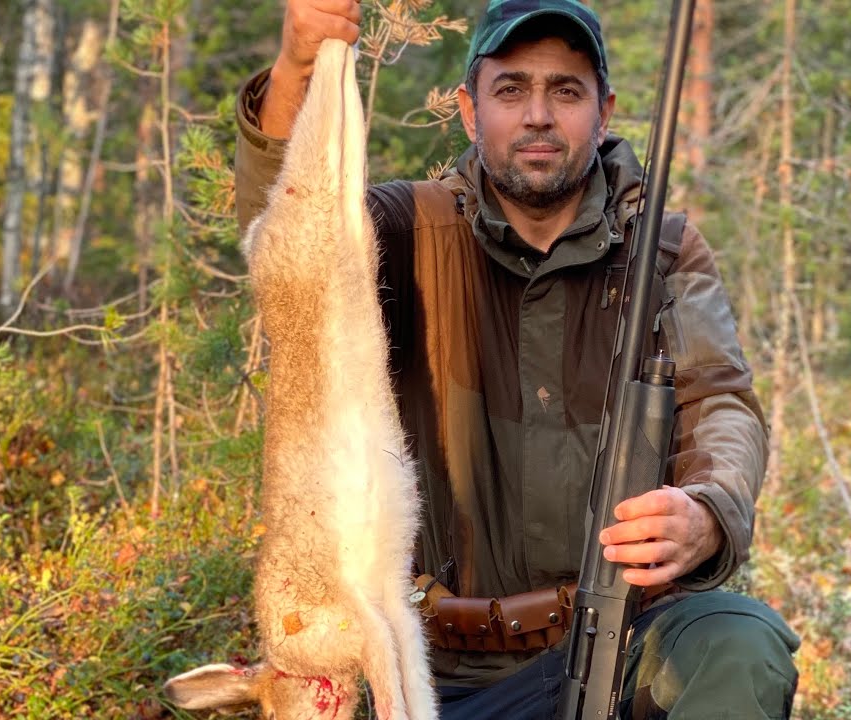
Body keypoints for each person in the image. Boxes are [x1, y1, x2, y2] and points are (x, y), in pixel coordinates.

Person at [234, 0, 800, 717]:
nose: (538, 114)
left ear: (604, 112)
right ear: (470, 111)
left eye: (565, 90)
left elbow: (721, 403)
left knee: (738, 644)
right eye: (511, 90)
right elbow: (289, 232)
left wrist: (707, 511)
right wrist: (299, 66)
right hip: (428, 670)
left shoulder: (665, 249)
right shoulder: (399, 231)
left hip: (623, 639)